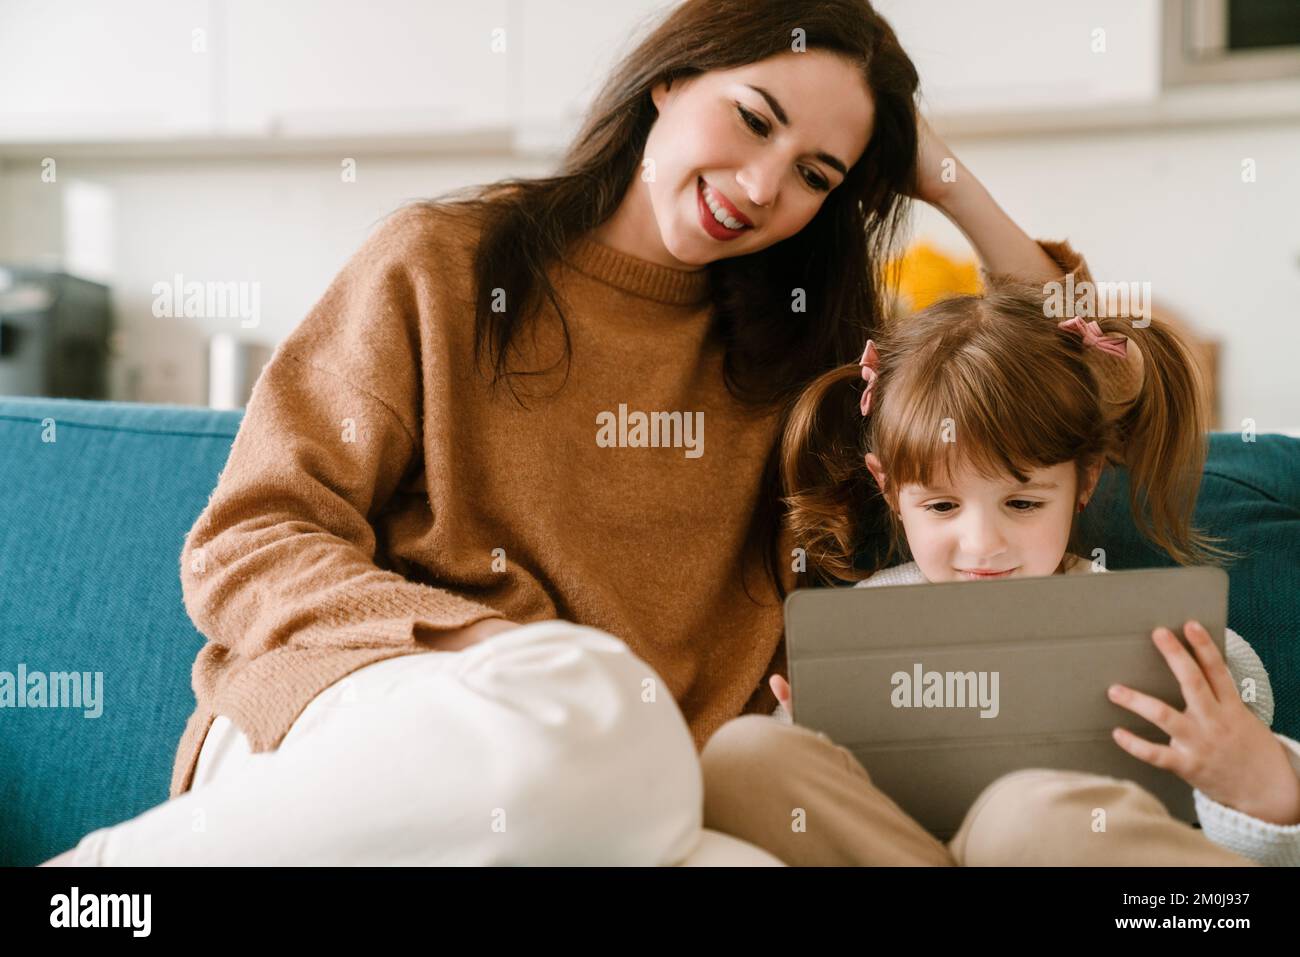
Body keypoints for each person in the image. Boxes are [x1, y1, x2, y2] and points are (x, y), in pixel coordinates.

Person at [45, 0, 1105, 865]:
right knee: (590, 707)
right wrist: (505, 657)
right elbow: (248, 541)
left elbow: (1079, 382)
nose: (762, 185)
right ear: (671, 77)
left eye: (817, 176)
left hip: (631, 805)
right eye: (753, 117)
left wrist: (949, 184)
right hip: (376, 734)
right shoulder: (441, 261)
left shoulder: (808, 358)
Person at [708, 280, 1300, 866]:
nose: (983, 545)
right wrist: (814, 738)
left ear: (1086, 481)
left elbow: (1239, 834)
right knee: (742, 757)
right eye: (941, 506)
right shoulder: (859, 630)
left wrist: (1266, 786)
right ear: (888, 489)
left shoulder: (1154, 633)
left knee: (1024, 821)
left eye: (1022, 504)